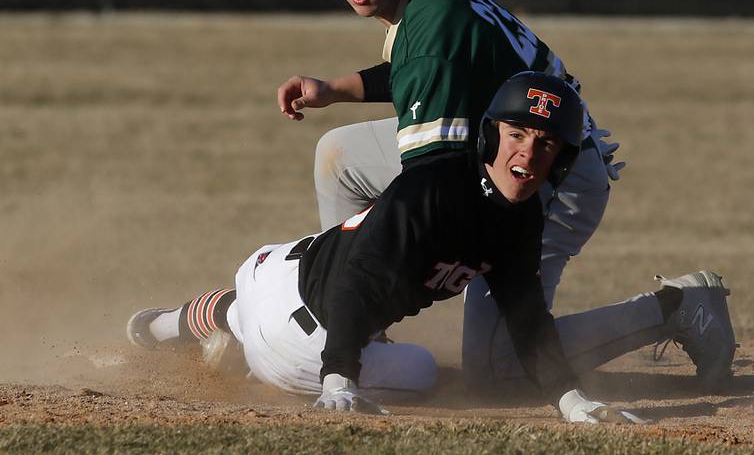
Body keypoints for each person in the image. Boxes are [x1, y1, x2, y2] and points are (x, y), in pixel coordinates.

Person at [276, 0, 736, 388]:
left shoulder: (435, 30)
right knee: (338, 156)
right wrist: (334, 90)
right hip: (496, 149)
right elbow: (411, 74)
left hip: (550, 172)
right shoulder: (431, 1)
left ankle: (679, 308)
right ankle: (363, 333)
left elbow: (429, 184)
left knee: (497, 366)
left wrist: (398, 269)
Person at [128, 73, 648, 423]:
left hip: (271, 267)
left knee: (256, 306)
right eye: (517, 134)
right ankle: (242, 337)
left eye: (546, 144)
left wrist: (571, 398)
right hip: (304, 350)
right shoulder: (436, 191)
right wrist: (338, 378)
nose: (528, 154)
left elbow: (526, 313)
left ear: (561, 161)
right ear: (490, 137)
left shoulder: (520, 216)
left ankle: (163, 325)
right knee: (421, 369)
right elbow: (356, 284)